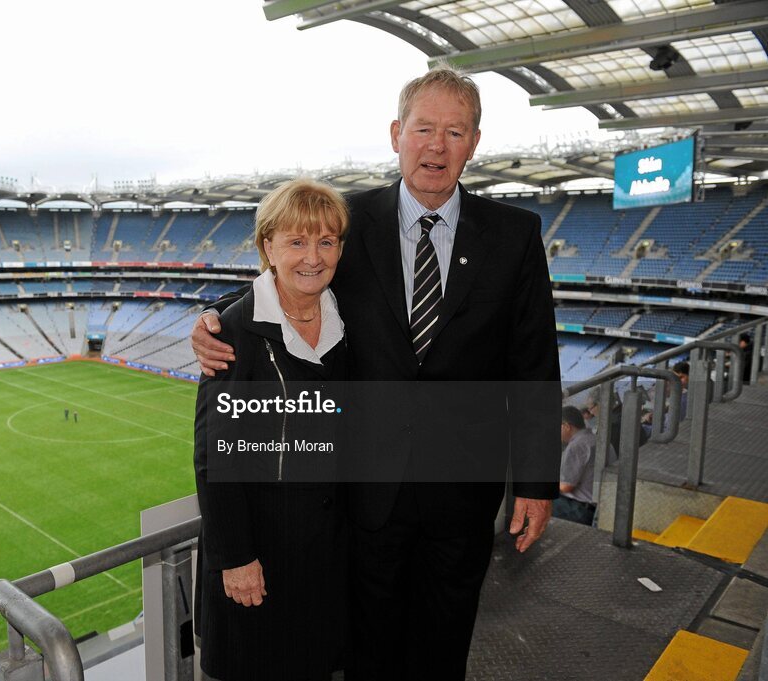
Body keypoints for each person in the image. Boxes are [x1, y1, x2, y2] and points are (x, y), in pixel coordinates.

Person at [192, 65, 561, 680]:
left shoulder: (515, 235)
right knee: (367, 655)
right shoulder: (349, 222)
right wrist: (214, 320)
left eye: (455, 131)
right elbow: (291, 273)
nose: (436, 146)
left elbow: (534, 363)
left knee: (443, 652)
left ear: (474, 142)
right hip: (366, 496)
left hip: (461, 495)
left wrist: (536, 482)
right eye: (423, 128)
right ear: (396, 134)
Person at [193, 178, 350, 681]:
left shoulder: (348, 320)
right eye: (296, 241)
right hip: (257, 561)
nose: (313, 255)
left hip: (328, 558)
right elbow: (216, 455)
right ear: (268, 247)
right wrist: (236, 557)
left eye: (326, 241)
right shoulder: (233, 332)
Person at [554, 406, 597, 526]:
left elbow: (565, 487)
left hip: (581, 511)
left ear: (567, 426)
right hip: (598, 508)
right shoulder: (595, 439)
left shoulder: (577, 446)